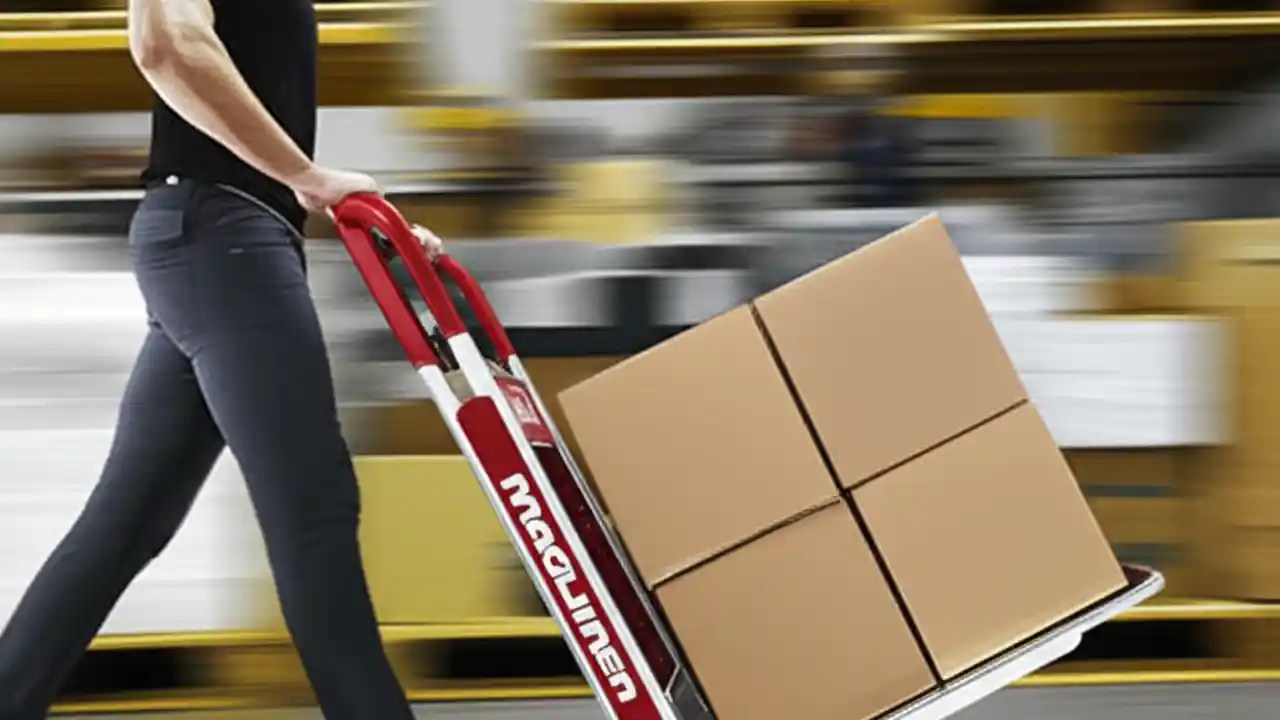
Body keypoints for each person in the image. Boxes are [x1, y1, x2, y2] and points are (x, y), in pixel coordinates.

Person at [0, 1, 418, 717]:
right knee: (313, 511)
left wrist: (364, 218)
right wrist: (306, 176)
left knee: (128, 522)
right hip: (222, 239)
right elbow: (165, 45)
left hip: (222, 237)